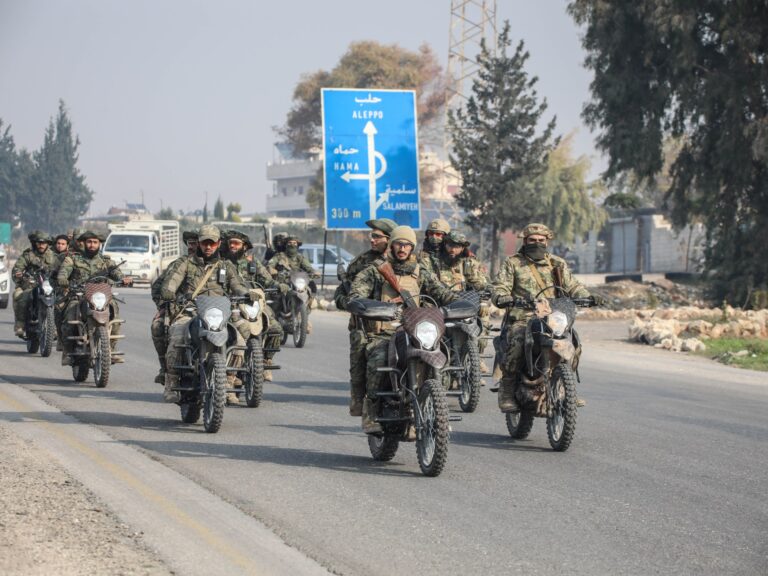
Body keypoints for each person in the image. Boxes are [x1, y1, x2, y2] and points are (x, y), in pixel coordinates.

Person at [348, 225, 457, 434]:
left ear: (412, 248)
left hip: (415, 330)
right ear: (391, 245)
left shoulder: (421, 272)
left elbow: (442, 293)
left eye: (407, 245)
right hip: (384, 333)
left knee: (441, 356)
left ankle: (437, 411)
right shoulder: (375, 271)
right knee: (378, 359)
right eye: (399, 243)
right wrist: (369, 306)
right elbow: (356, 295)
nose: (402, 248)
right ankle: (370, 413)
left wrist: (458, 304)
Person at [490, 223, 604, 413]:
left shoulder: (557, 263)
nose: (537, 243)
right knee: (517, 343)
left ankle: (566, 389)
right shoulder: (513, 263)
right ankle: (507, 391)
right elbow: (500, 286)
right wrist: (503, 297)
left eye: (541, 241)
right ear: (525, 241)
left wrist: (588, 296)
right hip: (524, 318)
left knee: (573, 343)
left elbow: (572, 285)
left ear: (547, 241)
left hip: (554, 317)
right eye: (532, 240)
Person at [159, 225, 256, 403]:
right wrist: (169, 292)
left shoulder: (225, 265)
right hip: (191, 311)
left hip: (220, 314)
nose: (208, 247)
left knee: (240, 341)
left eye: (212, 243)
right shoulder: (186, 263)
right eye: (205, 243)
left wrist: (246, 294)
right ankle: (171, 383)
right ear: (199, 244)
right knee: (177, 335)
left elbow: (237, 285)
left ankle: (228, 383)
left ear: (219, 243)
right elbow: (171, 283)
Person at [334, 218, 397, 416]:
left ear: (390, 239)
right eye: (372, 236)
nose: (372, 240)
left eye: (377, 237)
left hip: (400, 324)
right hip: (366, 326)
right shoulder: (362, 262)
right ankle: (363, 406)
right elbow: (341, 295)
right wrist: (354, 304)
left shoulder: (408, 263)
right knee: (360, 367)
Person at [57, 231, 132, 365]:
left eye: (95, 242)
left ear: (100, 244)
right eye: (89, 242)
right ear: (84, 243)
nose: (92, 245)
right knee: (68, 316)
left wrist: (123, 279)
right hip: (79, 295)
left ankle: (111, 350)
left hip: (101, 296)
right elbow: (63, 273)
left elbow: (116, 273)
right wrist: (63, 280)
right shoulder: (73, 259)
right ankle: (67, 352)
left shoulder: (106, 261)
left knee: (115, 315)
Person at [225, 229, 285, 385]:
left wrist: (278, 286)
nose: (233, 246)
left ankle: (265, 362)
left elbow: (267, 280)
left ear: (244, 246)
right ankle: (226, 373)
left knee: (275, 329)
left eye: (236, 243)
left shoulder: (253, 263)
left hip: (253, 305)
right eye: (230, 243)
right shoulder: (223, 263)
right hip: (230, 304)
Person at [149, 230, 199, 385]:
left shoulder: (218, 265)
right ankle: (166, 369)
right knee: (157, 326)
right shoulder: (179, 264)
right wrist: (163, 305)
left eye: (196, 243)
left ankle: (233, 377)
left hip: (211, 311)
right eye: (190, 243)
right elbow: (158, 287)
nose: (193, 247)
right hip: (182, 309)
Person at [266, 234, 320, 326]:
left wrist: (314, 272)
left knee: (312, 287)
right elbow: (269, 265)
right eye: (289, 243)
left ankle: (305, 313)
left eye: (294, 243)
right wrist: (272, 270)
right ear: (286, 245)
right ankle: (274, 317)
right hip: (283, 280)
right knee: (276, 296)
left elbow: (308, 268)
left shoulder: (300, 257)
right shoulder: (279, 256)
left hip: (298, 280)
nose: (292, 245)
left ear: (298, 245)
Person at [11, 231, 58, 337]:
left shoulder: (53, 256)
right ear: (34, 243)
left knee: (60, 302)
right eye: (39, 243)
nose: (41, 245)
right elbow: (17, 268)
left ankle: (55, 328)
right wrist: (19, 274)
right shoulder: (28, 255)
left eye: (44, 243)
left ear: (48, 244)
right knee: (20, 297)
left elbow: (62, 269)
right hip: (30, 285)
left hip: (49, 286)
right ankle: (20, 325)